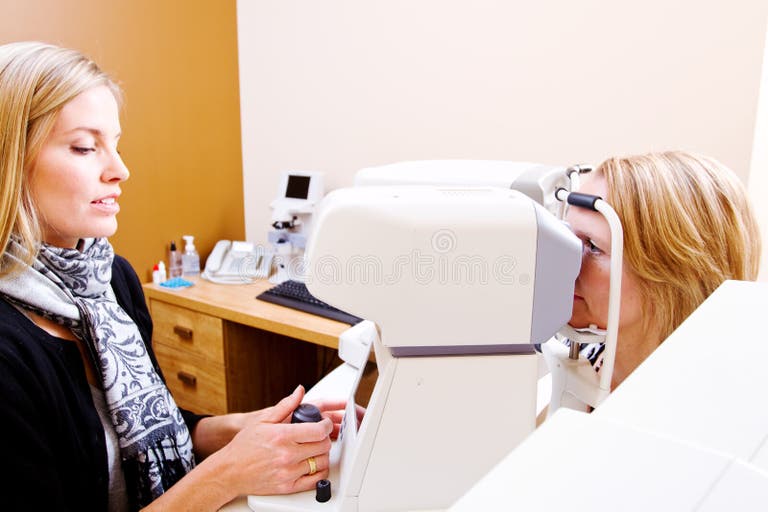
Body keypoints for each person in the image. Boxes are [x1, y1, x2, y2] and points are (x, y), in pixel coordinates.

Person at [0, 41, 348, 511]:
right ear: (9, 161)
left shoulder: (111, 282)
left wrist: (248, 428)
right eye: (85, 147)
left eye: (115, 144)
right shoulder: (8, 351)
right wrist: (226, 475)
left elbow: (152, 429)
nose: (120, 170)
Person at [564, 150, 761, 390]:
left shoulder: (727, 404)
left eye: (593, 247)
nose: (561, 262)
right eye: (564, 236)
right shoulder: (566, 360)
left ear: (675, 271)